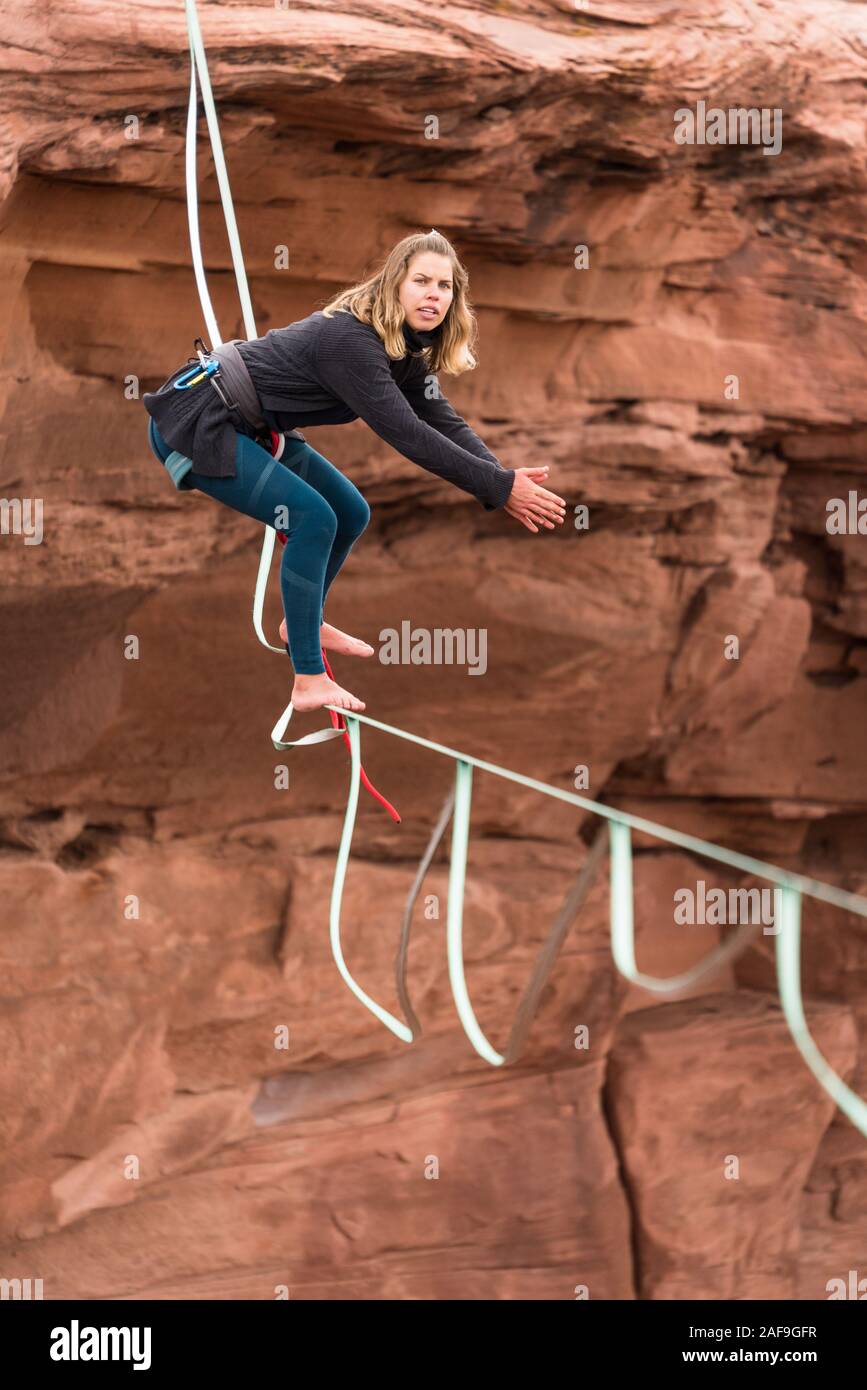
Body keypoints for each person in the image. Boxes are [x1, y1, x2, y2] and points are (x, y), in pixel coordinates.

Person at [143, 229, 566, 713]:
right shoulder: (352, 341)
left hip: (253, 425)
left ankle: (302, 621)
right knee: (313, 518)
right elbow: (407, 433)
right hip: (202, 418)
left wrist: (501, 477)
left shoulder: (404, 348)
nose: (433, 293)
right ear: (394, 286)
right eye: (421, 280)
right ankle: (308, 678)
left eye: (445, 286)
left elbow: (439, 419)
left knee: (349, 510)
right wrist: (498, 487)